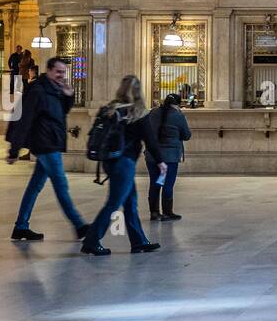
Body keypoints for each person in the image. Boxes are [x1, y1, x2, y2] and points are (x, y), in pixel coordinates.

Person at [79, 75, 167, 255]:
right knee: (113, 203)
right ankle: (92, 240)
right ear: (138, 91)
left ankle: (138, 241)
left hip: (109, 161)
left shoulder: (110, 108)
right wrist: (160, 161)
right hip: (124, 163)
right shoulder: (138, 112)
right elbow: (150, 140)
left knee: (130, 202)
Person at [7, 57, 88, 241]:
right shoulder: (37, 90)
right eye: (58, 72)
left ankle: (21, 226)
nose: (62, 75)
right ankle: (79, 225)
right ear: (49, 70)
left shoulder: (54, 89)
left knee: (35, 185)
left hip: (51, 143)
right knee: (61, 186)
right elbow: (24, 120)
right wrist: (14, 150)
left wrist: (69, 97)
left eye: (63, 72)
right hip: (45, 145)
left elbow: (60, 113)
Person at [146, 92, 192, 221]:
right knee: (167, 183)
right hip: (169, 158)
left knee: (155, 183)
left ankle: (154, 213)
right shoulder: (178, 115)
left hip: (153, 156)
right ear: (177, 104)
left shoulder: (153, 113)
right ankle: (167, 212)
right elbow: (187, 135)